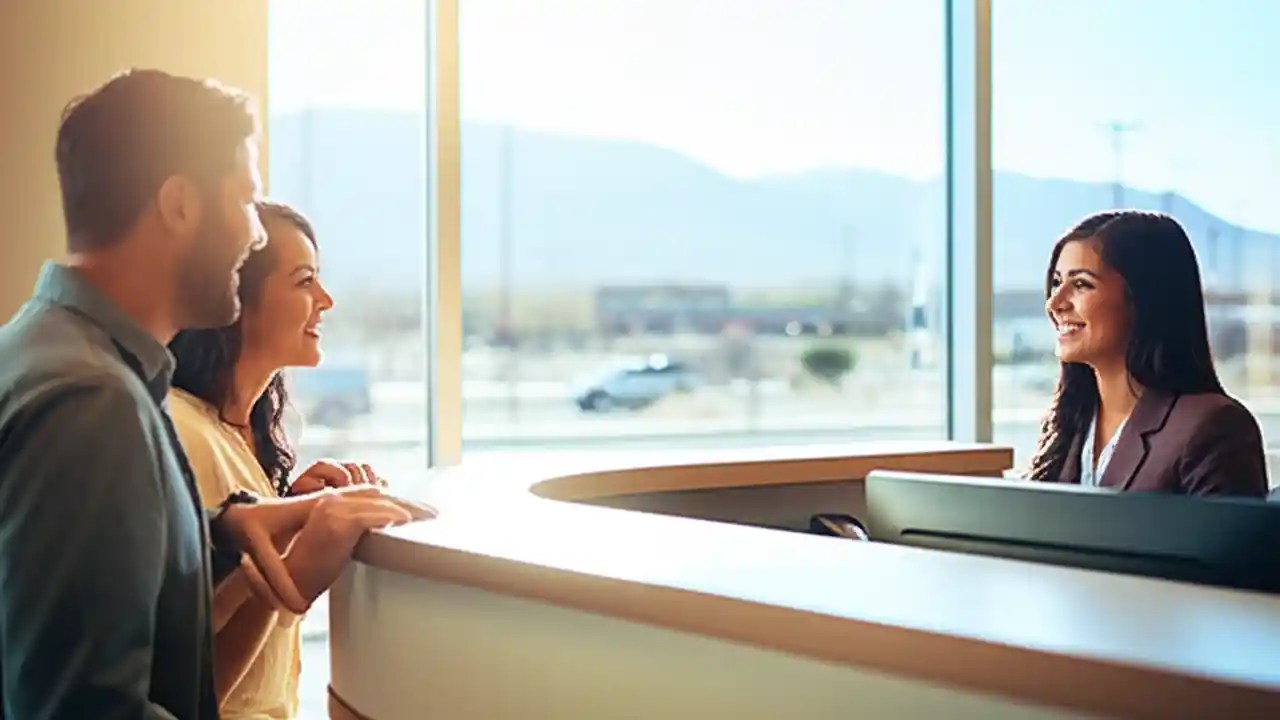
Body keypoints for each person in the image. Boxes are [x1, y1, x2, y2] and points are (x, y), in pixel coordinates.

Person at [0, 69, 433, 719]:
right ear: (179, 205)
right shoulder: (93, 402)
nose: (254, 235)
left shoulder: (48, 351)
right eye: (243, 202)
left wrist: (221, 532)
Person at [166, 201, 385, 717]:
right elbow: (184, 697)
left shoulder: (243, 437)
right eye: (304, 280)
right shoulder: (181, 435)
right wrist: (288, 579)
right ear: (235, 300)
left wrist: (287, 517)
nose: (325, 301)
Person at [1027, 210, 1267, 496]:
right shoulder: (1069, 424)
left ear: (1143, 299)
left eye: (1081, 284)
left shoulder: (1214, 427)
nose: (1055, 303)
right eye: (1056, 282)